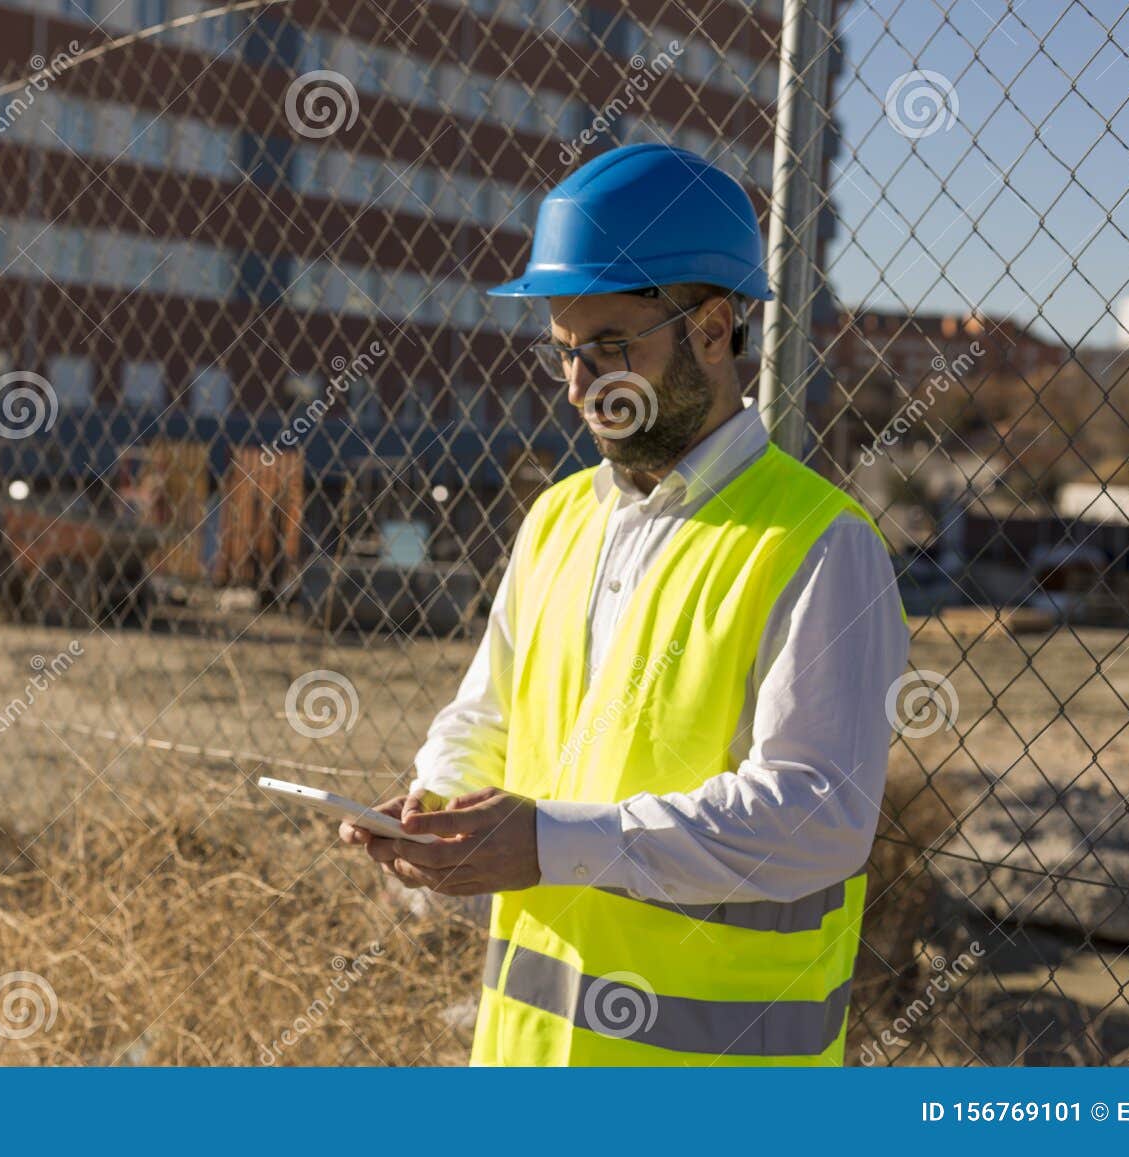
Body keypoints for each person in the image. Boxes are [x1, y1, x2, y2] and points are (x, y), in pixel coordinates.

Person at [340, 142, 909, 1066]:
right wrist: (437, 807)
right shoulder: (558, 518)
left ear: (716, 328)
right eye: (566, 350)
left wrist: (550, 842)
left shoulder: (820, 544)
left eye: (611, 347)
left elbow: (816, 816)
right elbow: (487, 712)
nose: (578, 383)